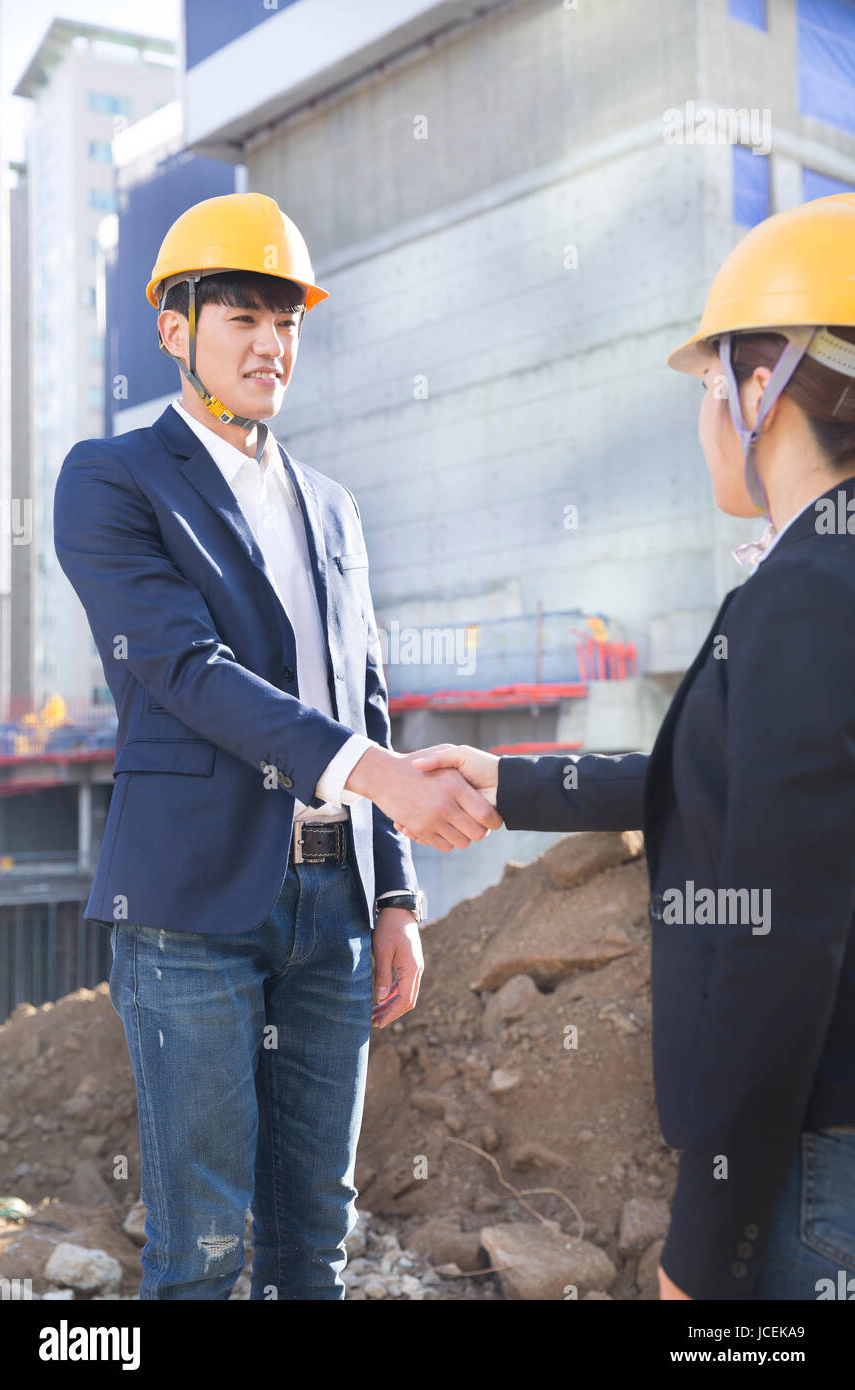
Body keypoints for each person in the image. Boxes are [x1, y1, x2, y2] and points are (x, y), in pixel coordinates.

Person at [395, 194, 855, 1301]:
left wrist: (698, 1251)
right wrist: (512, 781)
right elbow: (734, 788)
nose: (701, 416)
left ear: (760, 388)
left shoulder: (806, 590)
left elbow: (779, 939)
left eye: (708, 386)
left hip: (813, 1174)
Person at [53, 191, 501, 1300]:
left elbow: (367, 693)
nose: (270, 342)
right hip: (191, 909)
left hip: (331, 909)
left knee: (315, 1241)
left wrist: (391, 892)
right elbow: (188, 671)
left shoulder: (333, 506)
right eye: (243, 315)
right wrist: (380, 779)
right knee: (201, 1250)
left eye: (287, 319)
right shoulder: (112, 481)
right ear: (175, 328)